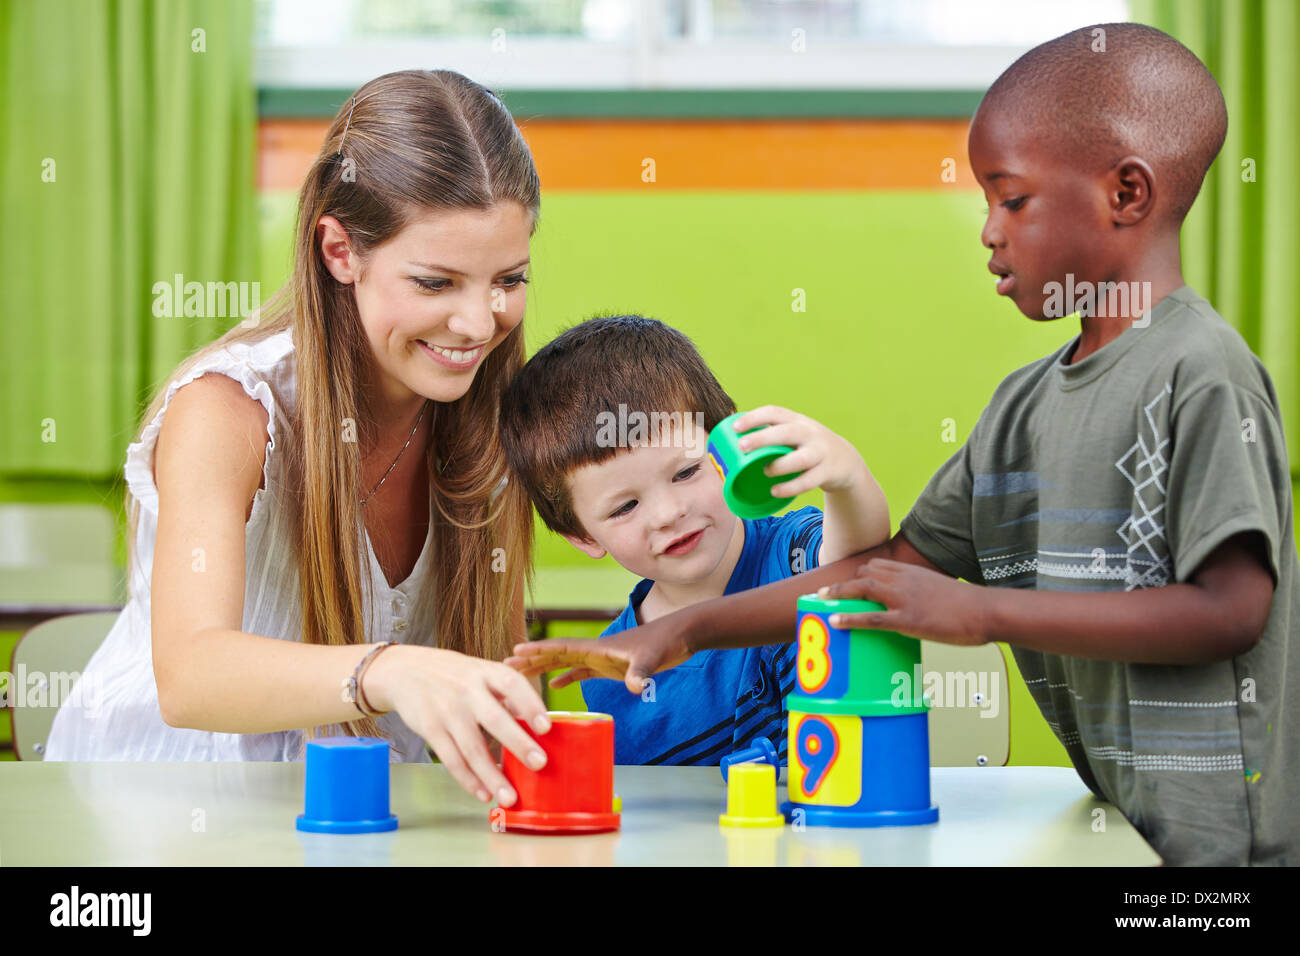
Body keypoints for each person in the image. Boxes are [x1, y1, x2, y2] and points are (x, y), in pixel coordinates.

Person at [508, 24, 1298, 865]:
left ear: (1127, 193)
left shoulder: (1201, 374)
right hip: (1128, 825)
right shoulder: (1023, 408)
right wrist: (684, 633)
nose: (987, 231)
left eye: (1012, 200)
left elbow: (1230, 610)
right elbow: (880, 571)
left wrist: (982, 614)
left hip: (1230, 842)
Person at [45, 69, 552, 810]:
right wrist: (389, 669)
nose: (479, 323)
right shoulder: (228, 410)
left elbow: (495, 679)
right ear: (339, 251)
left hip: (358, 819)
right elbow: (190, 677)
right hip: (158, 810)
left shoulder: (489, 418)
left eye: (508, 279)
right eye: (435, 283)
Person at [498, 315, 889, 763]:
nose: (669, 513)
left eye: (686, 472)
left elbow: (858, 564)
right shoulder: (616, 668)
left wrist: (849, 480)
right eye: (625, 507)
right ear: (583, 536)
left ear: (726, 449)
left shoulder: (794, 550)